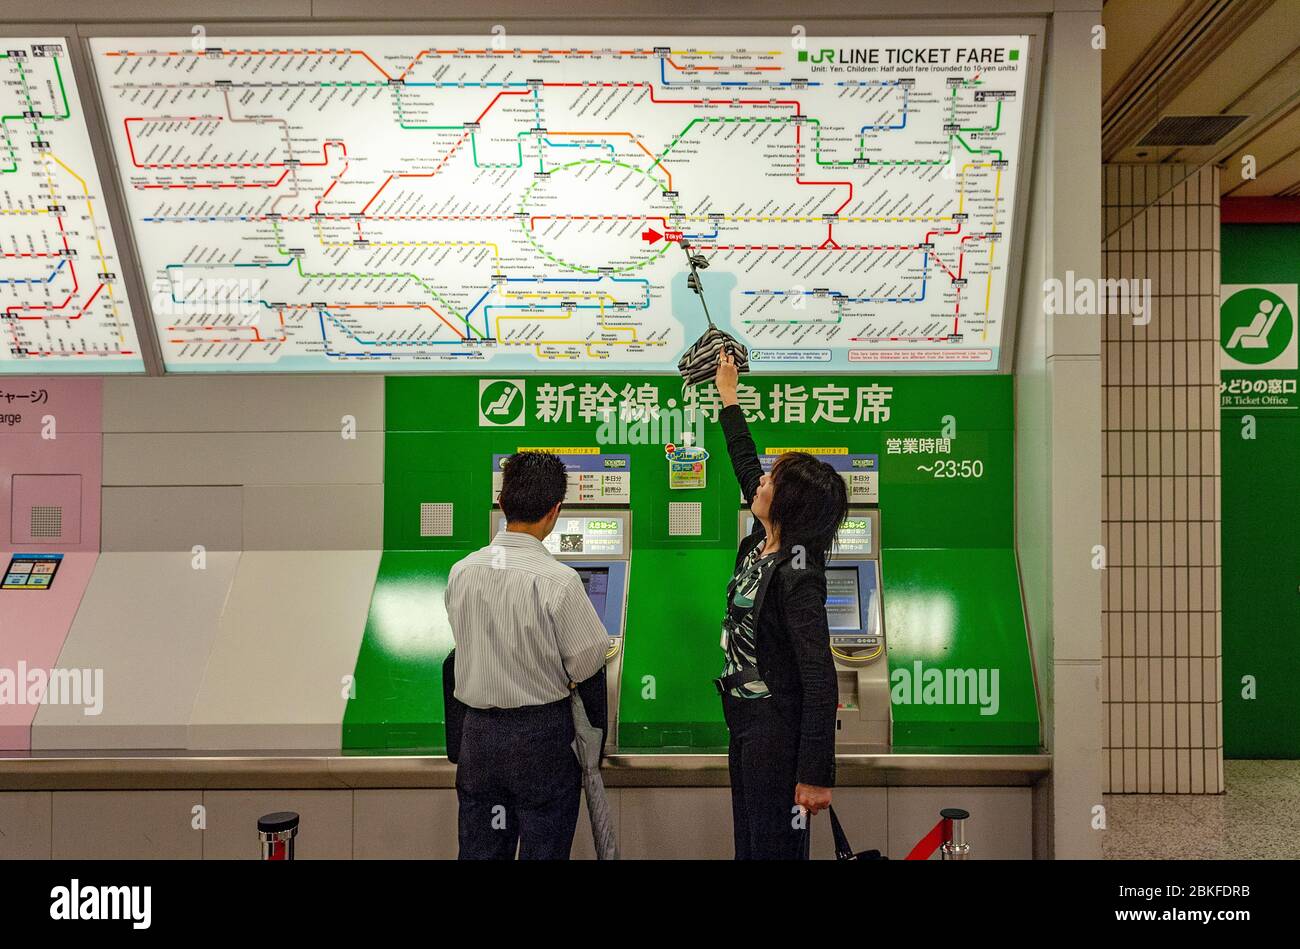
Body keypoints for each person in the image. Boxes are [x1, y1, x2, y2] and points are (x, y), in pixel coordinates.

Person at [713, 349, 847, 859]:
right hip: (744, 719)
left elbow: (819, 677)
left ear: (787, 505)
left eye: (771, 481)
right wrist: (729, 397)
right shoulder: (762, 539)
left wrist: (815, 775)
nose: (760, 482)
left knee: (774, 849)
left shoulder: (798, 573)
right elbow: (745, 464)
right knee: (750, 843)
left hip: (775, 727)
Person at [444, 450, 609, 859]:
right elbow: (588, 662)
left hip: (478, 739)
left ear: (501, 502)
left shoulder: (462, 571)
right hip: (541, 741)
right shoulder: (561, 581)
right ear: (555, 512)